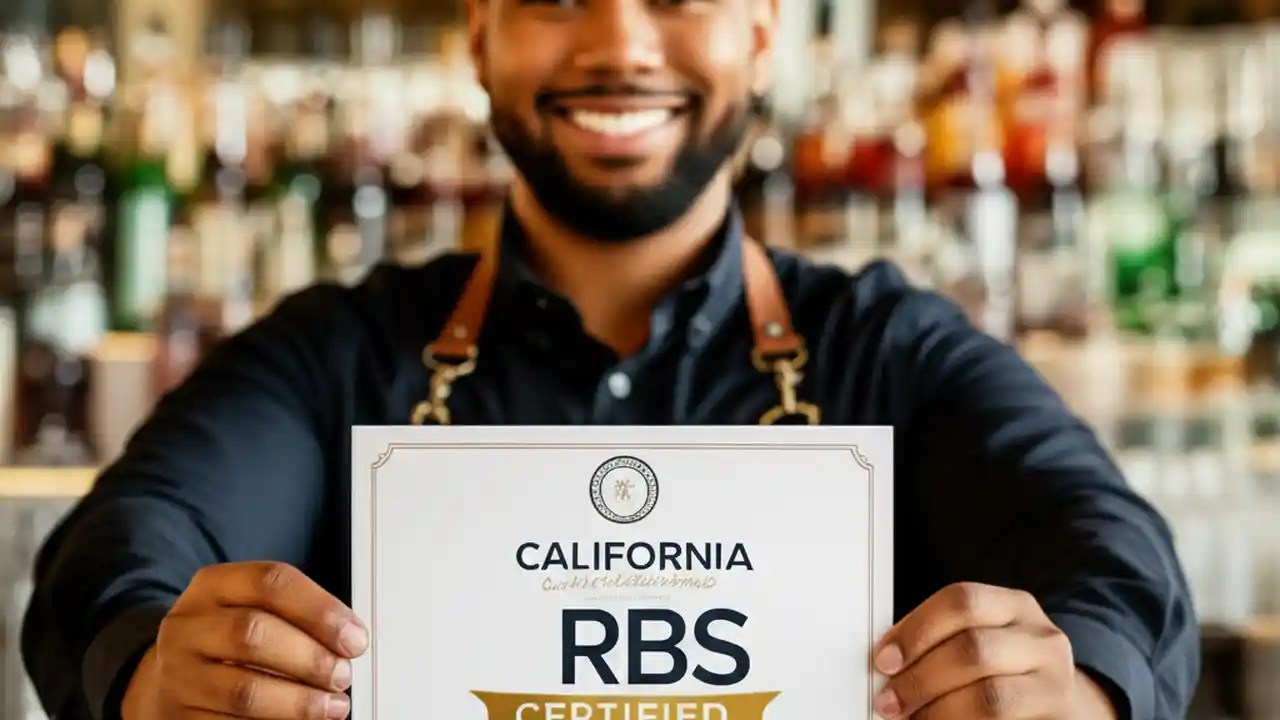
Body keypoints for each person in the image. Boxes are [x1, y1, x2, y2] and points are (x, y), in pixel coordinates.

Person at [22, 1, 1197, 719]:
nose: (618, 42)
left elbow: (1108, 553)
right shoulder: (332, 353)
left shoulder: (892, 351)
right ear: (478, 33)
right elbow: (126, 544)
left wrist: (1079, 683)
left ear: (759, 29)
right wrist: (148, 673)